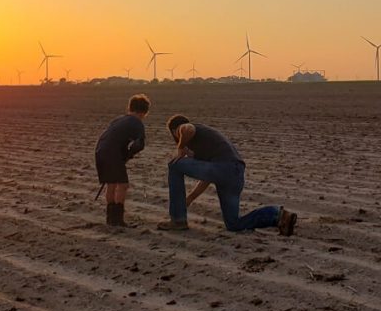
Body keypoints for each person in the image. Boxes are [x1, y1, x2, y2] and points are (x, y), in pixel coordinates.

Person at [157, 114, 297, 234]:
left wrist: (180, 148)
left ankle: (178, 220)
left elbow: (187, 128)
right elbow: (207, 177)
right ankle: (277, 215)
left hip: (225, 169)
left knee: (174, 165)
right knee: (234, 225)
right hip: (234, 176)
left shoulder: (189, 128)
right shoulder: (204, 147)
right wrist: (190, 198)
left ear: (175, 131)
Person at [94, 94, 150, 226]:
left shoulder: (119, 119)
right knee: (123, 185)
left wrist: (123, 154)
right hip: (112, 153)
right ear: (144, 112)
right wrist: (128, 155)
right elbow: (139, 145)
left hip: (100, 150)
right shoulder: (137, 123)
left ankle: (111, 219)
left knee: (111, 184)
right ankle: (118, 219)